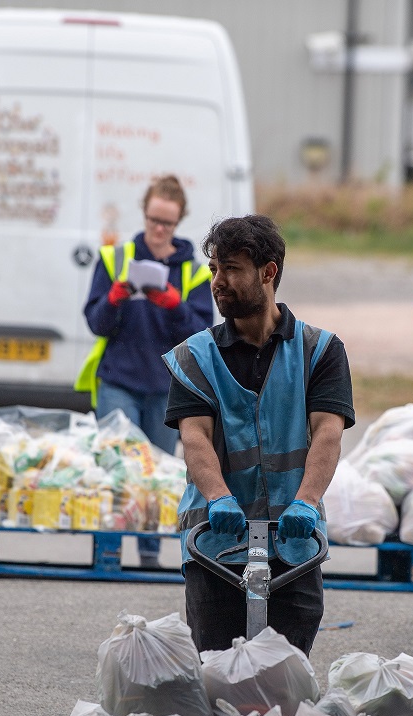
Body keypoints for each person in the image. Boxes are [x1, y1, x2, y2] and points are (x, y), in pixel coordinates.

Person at [163, 215, 354, 655]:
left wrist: (306, 502)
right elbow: (195, 440)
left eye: (231, 268)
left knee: (285, 681)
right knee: (217, 680)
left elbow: (328, 433)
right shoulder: (193, 358)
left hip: (294, 546)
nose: (218, 281)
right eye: (214, 269)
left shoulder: (320, 351)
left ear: (268, 273)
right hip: (215, 545)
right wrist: (217, 497)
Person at [78, 175, 214, 567]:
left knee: (156, 474)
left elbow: (202, 334)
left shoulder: (194, 271)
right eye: (154, 219)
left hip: (166, 388)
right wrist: (115, 298)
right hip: (118, 380)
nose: (158, 229)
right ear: (144, 213)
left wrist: (175, 305)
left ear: (178, 223)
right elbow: (96, 322)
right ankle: (108, 549)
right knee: (117, 470)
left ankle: (150, 554)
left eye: (167, 223)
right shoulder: (115, 259)